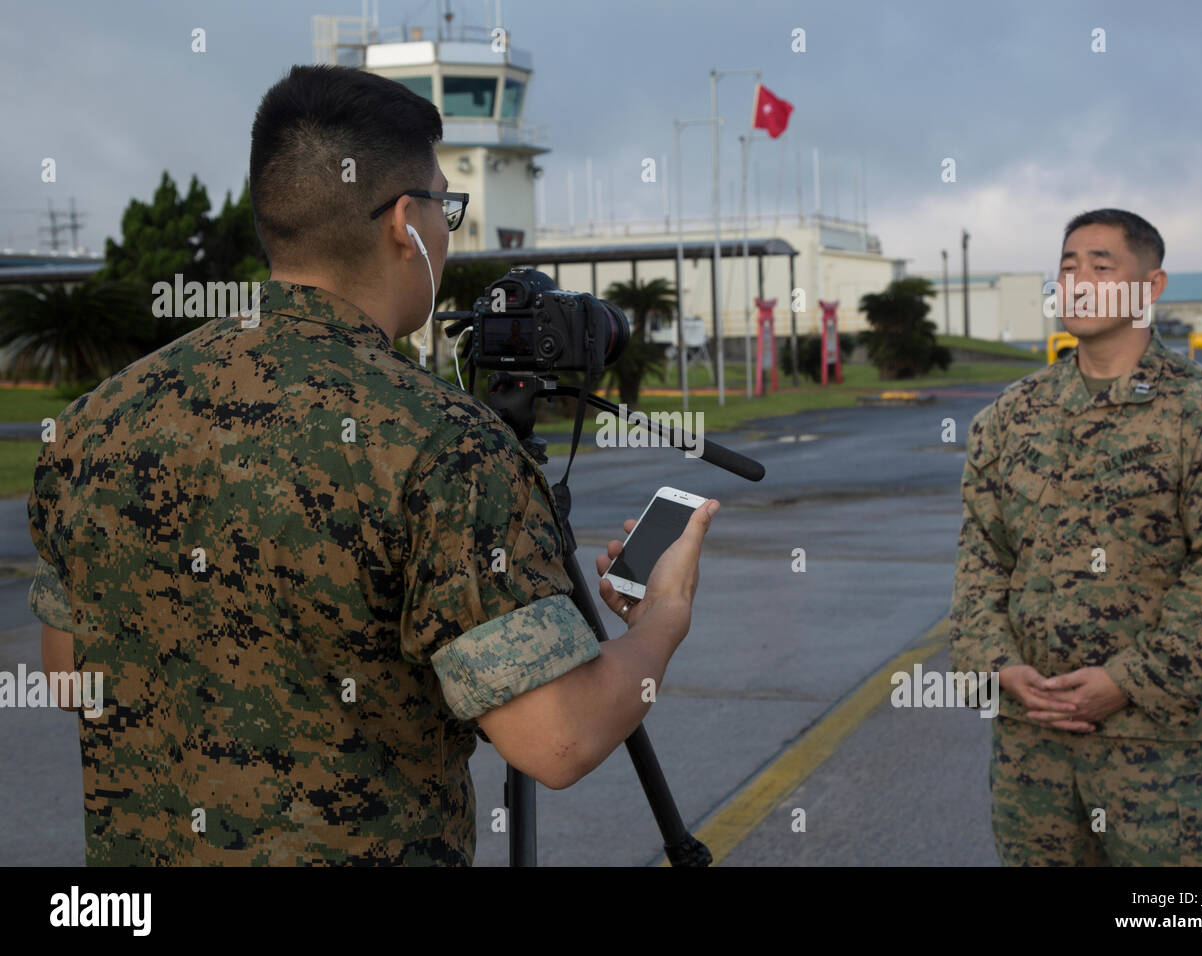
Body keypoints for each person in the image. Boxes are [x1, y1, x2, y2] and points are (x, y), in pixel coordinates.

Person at [28, 64, 718, 866]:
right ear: (405, 222)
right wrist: (664, 615)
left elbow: (71, 678)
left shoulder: (96, 422)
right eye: (444, 206)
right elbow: (557, 740)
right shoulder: (445, 445)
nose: (445, 227)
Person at [950, 208, 1202, 865]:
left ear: (1150, 286)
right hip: (1032, 752)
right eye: (1067, 266)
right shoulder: (1009, 419)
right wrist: (1000, 669)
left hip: (1159, 756)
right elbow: (981, 563)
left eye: (1101, 266)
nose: (1076, 280)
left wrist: (1126, 680)